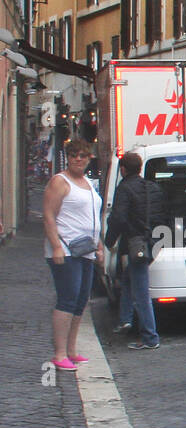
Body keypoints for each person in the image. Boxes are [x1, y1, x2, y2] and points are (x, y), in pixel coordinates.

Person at [42, 139, 103, 371]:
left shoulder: (88, 183)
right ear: (68, 157)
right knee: (67, 299)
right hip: (66, 249)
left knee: (81, 301)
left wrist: (98, 245)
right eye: (74, 155)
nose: (78, 159)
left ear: (89, 158)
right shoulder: (60, 182)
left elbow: (92, 218)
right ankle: (59, 353)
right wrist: (56, 246)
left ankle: (71, 349)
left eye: (83, 155)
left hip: (85, 249)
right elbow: (48, 215)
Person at [105, 150, 166, 350]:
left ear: (122, 169)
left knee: (140, 291)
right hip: (152, 243)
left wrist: (109, 241)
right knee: (128, 279)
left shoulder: (124, 189)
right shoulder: (152, 188)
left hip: (135, 244)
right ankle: (125, 320)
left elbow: (119, 218)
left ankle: (150, 337)